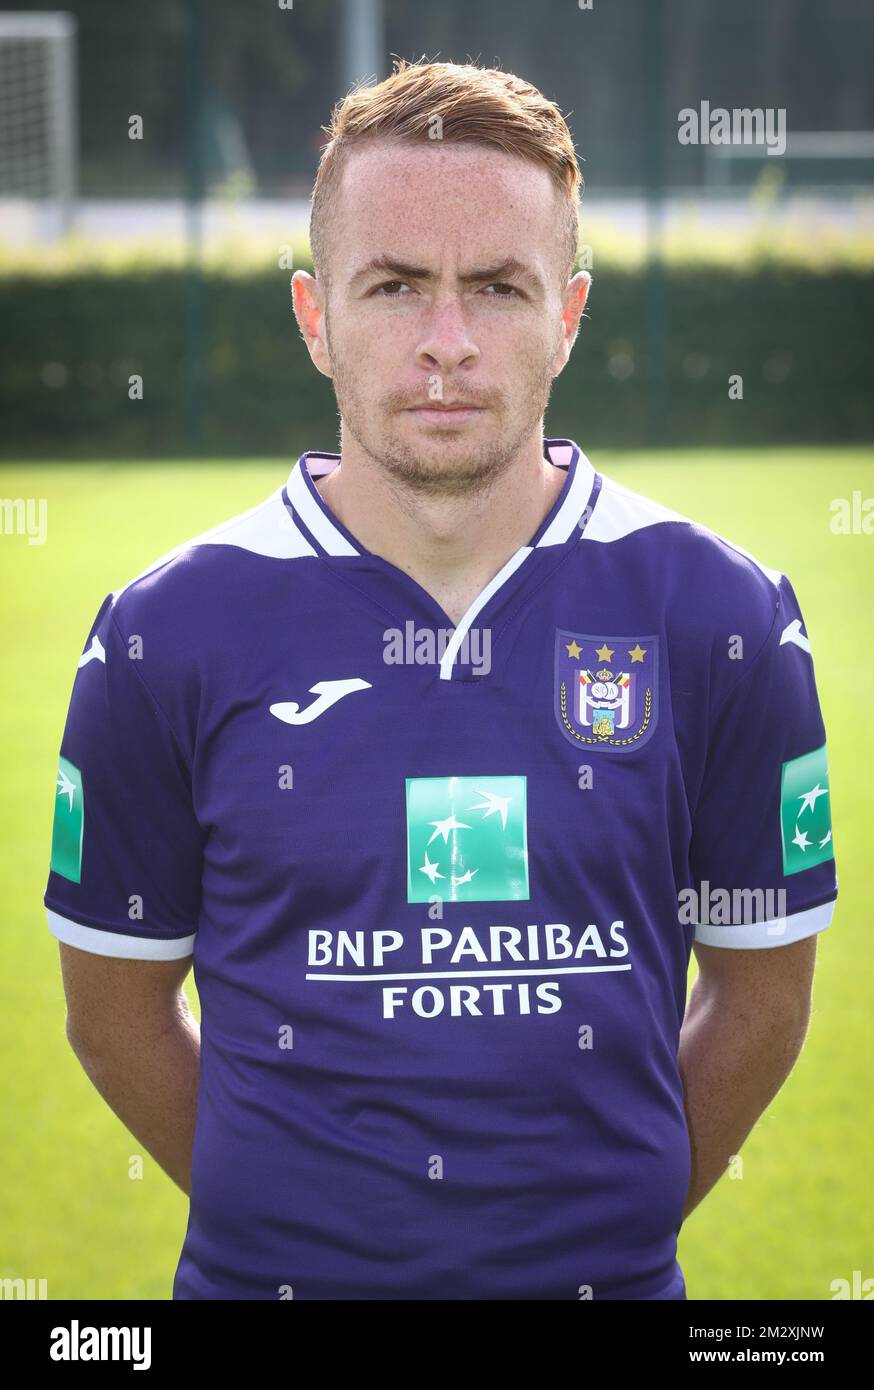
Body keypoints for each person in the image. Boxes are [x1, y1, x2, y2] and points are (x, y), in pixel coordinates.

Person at [45, 59, 837, 1301]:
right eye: (396, 285)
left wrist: (592, 1231)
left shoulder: (720, 618)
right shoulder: (164, 635)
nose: (447, 343)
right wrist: (301, 1232)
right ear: (315, 316)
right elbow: (113, 1013)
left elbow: (763, 997)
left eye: (499, 288)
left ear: (570, 314)